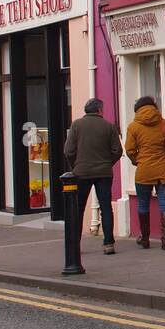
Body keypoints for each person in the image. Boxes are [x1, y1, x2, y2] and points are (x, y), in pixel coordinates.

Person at [64, 97, 124, 255]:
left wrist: (76, 165)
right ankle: (108, 243)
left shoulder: (76, 125)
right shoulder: (109, 127)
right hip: (104, 173)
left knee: (78, 208)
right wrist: (107, 163)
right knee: (105, 207)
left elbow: (68, 150)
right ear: (99, 110)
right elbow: (118, 151)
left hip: (81, 172)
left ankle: (75, 244)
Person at [124, 96, 165, 250]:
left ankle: (145, 239)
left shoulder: (133, 127)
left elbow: (129, 150)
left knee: (143, 204)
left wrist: (138, 160)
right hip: (164, 171)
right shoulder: (164, 124)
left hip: (144, 171)